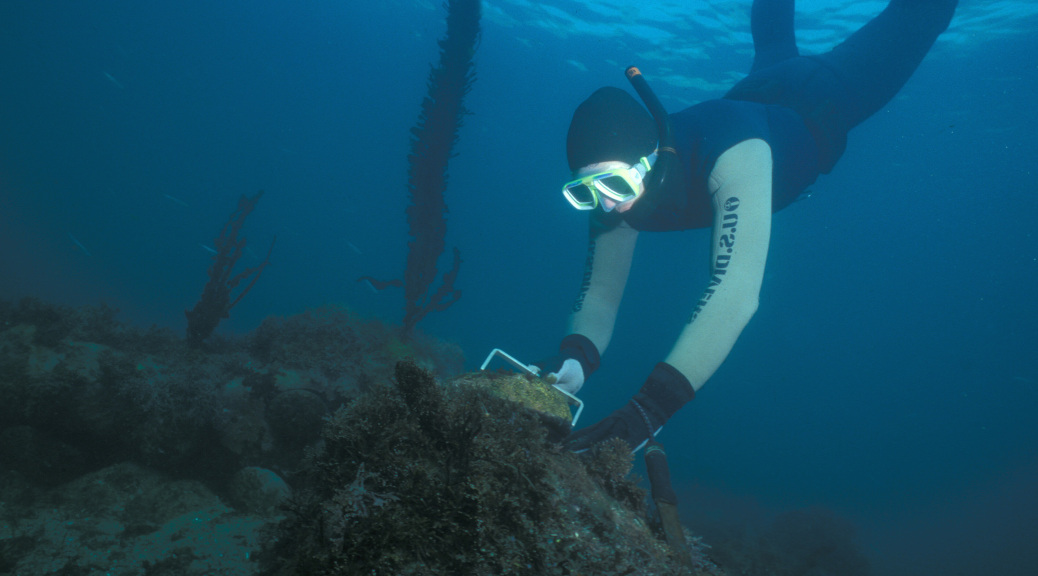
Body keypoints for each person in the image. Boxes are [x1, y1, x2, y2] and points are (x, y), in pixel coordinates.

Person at [535, 0, 958, 453]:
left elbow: (735, 290)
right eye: (585, 192)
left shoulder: (738, 155)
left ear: (653, 158)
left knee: (920, 15)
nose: (608, 204)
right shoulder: (611, 189)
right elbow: (599, 293)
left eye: (616, 183)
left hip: (829, 92)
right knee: (774, 40)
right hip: (760, 86)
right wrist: (575, 362)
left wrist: (647, 411)